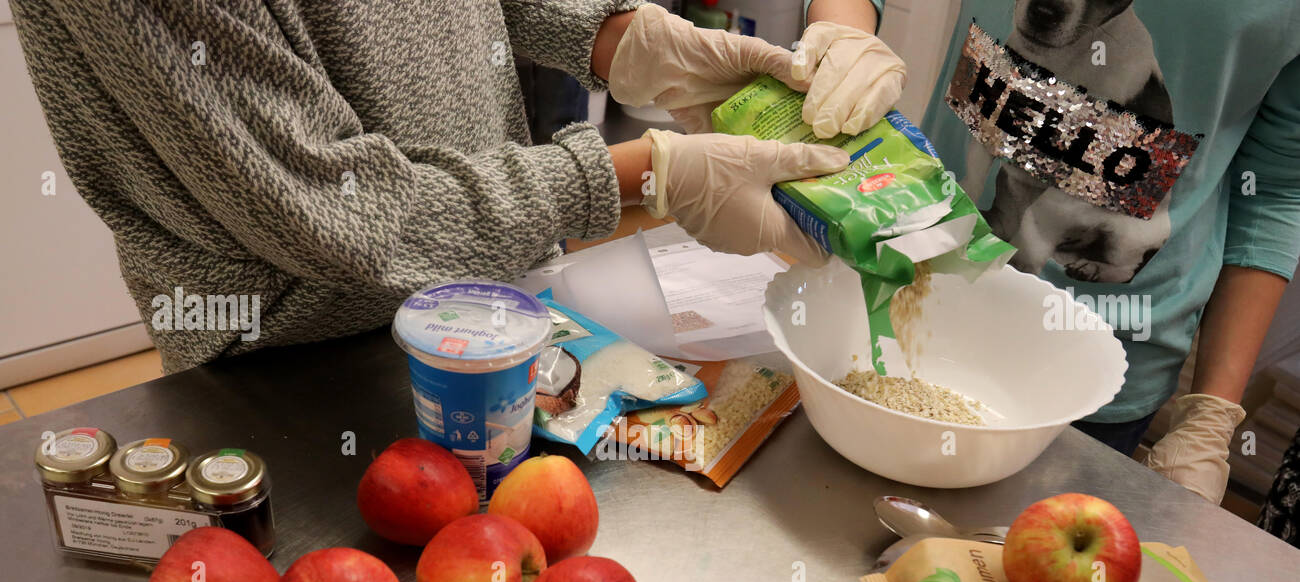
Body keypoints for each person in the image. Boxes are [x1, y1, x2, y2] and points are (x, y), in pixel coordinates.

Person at [10, 1, 887, 374]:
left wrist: (622, 37)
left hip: (500, 296)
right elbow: (342, 217)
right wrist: (651, 175)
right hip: (305, 372)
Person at [786, 0, 1300, 505]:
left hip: (1093, 357)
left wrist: (1210, 415)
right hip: (910, 271)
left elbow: (1277, 186)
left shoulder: (1130, 63)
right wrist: (843, 38)